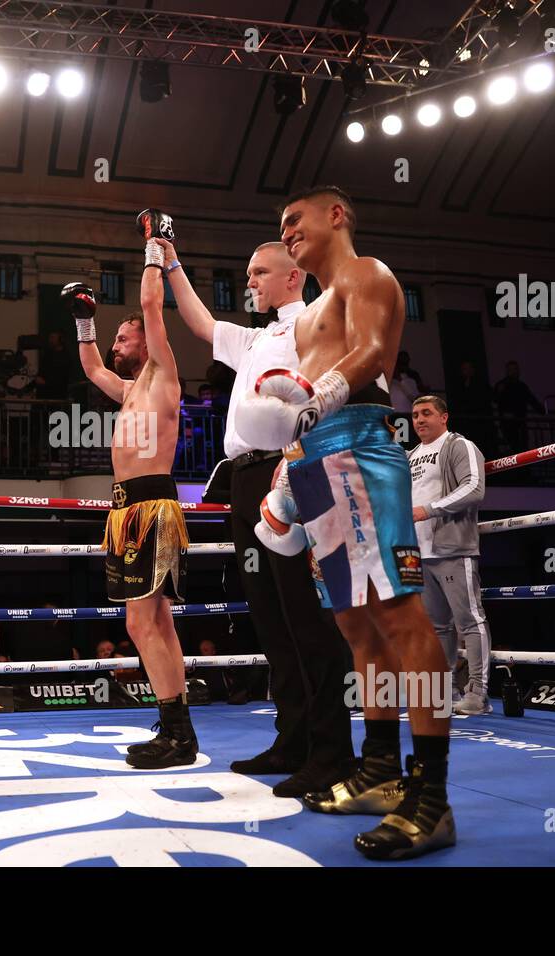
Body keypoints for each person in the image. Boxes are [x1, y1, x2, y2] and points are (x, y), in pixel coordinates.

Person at [238, 185, 454, 860]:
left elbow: (367, 356)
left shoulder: (368, 275)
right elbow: (304, 403)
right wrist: (287, 471)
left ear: (335, 215)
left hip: (363, 443)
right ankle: (382, 768)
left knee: (399, 617)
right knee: (355, 623)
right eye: (281, 225)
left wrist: (316, 394)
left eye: (295, 220)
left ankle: (433, 797)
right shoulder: (305, 322)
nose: (287, 230)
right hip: (317, 461)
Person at [159, 235, 355, 797]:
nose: (250, 281)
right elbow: (198, 322)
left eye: (259, 272)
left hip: (294, 470)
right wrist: (172, 261)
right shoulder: (255, 338)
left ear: (293, 277)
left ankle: (332, 752)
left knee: (307, 615)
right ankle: (292, 739)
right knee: (270, 616)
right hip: (243, 478)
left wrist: (302, 461)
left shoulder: (314, 322)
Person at [69, 214, 192, 769]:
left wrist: (152, 247)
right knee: (156, 621)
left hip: (152, 505)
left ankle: (176, 730)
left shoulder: (164, 372)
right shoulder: (127, 389)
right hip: (125, 509)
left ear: (146, 341)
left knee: (141, 623)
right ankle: (178, 730)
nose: (116, 345)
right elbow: (90, 365)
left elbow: (150, 308)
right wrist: (84, 321)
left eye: (123, 337)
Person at [407, 395, 492, 716]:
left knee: (470, 620)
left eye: (426, 413)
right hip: (418, 552)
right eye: (415, 415)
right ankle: (446, 691)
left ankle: (478, 693)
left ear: (444, 416)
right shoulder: (411, 455)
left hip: (453, 547)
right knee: (438, 627)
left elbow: (474, 488)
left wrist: (427, 510)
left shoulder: (459, 445)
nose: (419, 420)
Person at [493, 360, 542, 454]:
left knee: (522, 447)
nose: (514, 372)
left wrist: (543, 411)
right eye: (511, 370)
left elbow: (531, 399)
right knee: (514, 447)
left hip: (520, 421)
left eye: (515, 369)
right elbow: (495, 399)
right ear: (507, 371)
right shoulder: (502, 385)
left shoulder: (521, 386)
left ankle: (522, 467)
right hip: (508, 423)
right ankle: (518, 467)